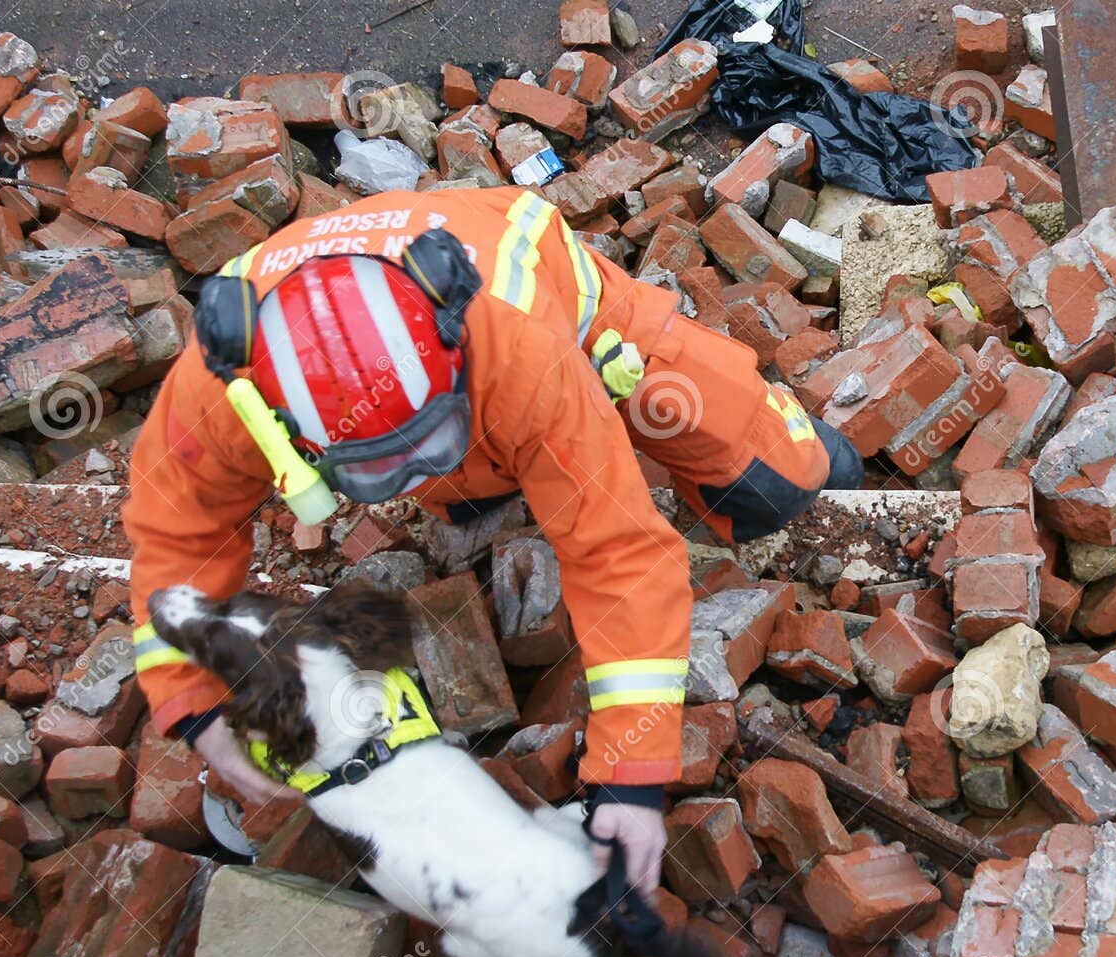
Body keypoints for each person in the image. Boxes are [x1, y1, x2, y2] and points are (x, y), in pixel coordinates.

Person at [123, 185, 863, 898]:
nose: (407, 474)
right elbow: (175, 527)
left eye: (424, 444)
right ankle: (479, 469)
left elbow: (620, 551)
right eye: (378, 467)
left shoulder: (515, 346)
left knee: (768, 482)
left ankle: (802, 443)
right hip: (437, 368)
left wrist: (630, 774)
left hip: (560, 310)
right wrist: (189, 696)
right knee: (471, 493)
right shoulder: (223, 380)